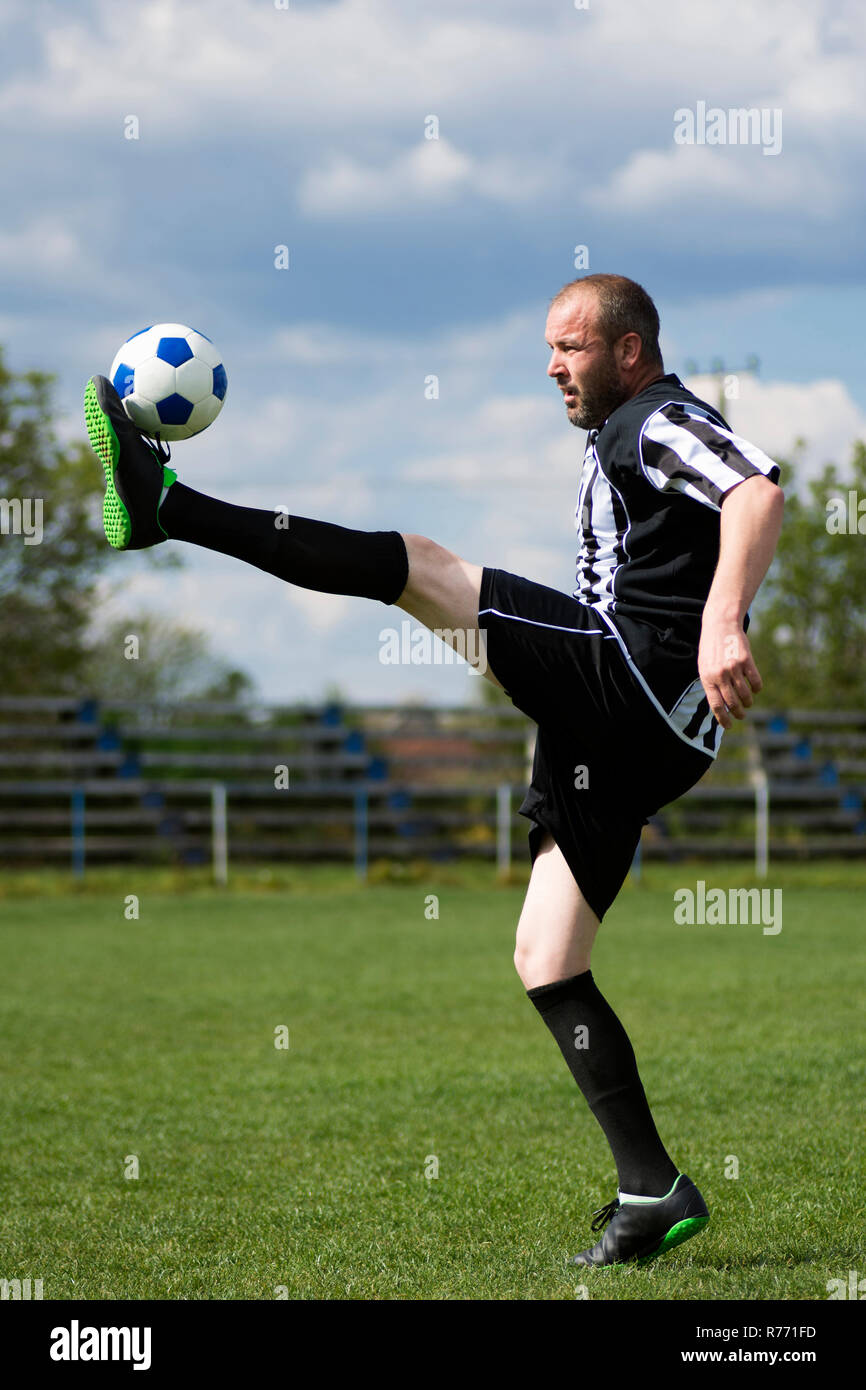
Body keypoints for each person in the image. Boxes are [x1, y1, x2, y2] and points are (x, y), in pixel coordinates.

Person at [84, 272, 783, 1268]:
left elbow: (755, 489)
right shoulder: (612, 444)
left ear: (628, 352)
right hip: (635, 733)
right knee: (548, 958)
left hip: (631, 678)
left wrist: (719, 623)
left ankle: (169, 507)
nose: (551, 366)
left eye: (570, 347)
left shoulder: (656, 418)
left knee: (416, 565)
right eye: (548, 348)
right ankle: (651, 1189)